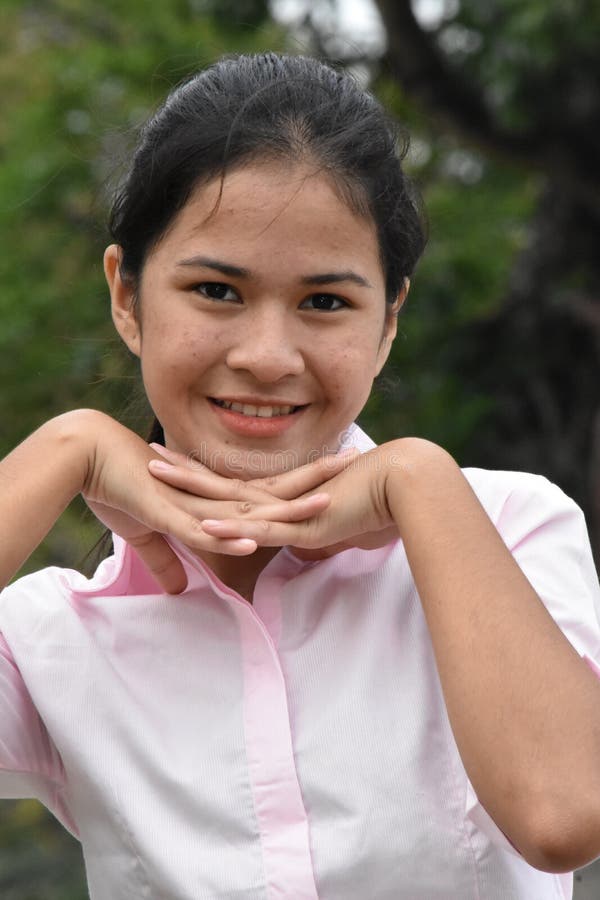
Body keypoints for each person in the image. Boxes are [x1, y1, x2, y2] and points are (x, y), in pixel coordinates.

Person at [1, 52, 600, 900]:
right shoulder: (55, 635)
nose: (268, 357)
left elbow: (563, 814)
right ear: (126, 297)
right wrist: (63, 448)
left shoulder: (509, 528)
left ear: (389, 322)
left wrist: (420, 481)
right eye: (215, 290)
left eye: (325, 303)